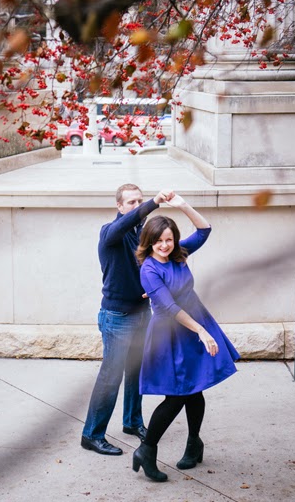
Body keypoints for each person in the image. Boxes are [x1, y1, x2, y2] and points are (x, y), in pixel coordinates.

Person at [131, 194, 239, 482]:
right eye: (158, 241)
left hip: (195, 323)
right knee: (176, 394)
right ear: (148, 242)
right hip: (172, 333)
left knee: (195, 386)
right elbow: (169, 307)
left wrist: (181, 205)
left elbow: (204, 230)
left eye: (168, 239)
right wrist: (201, 331)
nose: (164, 246)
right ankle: (147, 449)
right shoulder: (149, 269)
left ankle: (194, 444)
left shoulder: (179, 254)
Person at [81, 184, 170, 456]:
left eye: (139, 201)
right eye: (131, 202)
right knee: (111, 377)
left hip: (142, 313)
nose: (136, 206)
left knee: (135, 373)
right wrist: (153, 202)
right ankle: (92, 434)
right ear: (119, 206)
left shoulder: (139, 236)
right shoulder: (110, 233)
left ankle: (132, 422)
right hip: (117, 317)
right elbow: (128, 222)